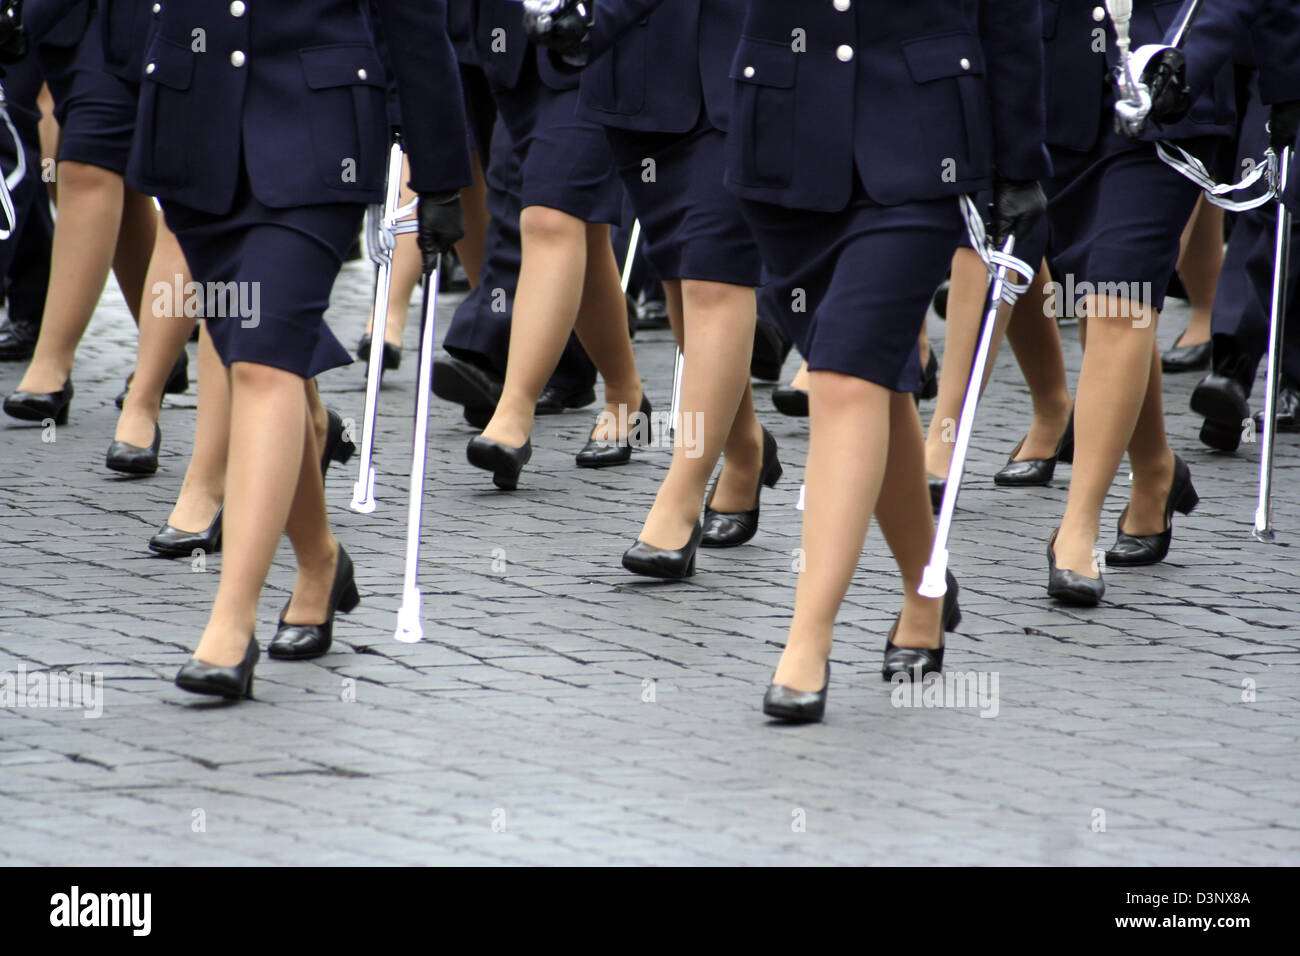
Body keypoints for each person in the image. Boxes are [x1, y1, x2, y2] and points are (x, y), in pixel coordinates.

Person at [125, 0, 471, 700]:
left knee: (261, 362)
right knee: (258, 361)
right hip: (194, 121)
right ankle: (319, 560)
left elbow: (412, 17)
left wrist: (439, 170)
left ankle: (231, 623)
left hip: (320, 128)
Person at [716, 0, 1048, 722]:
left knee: (841, 377)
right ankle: (927, 590)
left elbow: (1011, 15)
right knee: (871, 386)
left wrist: (1021, 159)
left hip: (922, 143)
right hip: (782, 134)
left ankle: (807, 642)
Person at [530, 0, 784, 578]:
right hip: (639, 64)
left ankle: (680, 495)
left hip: (753, 57)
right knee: (679, 276)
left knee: (715, 276)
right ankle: (743, 445)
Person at [464, 0, 646, 490]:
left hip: (599, 39)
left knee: (550, 216)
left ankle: (513, 411)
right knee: (578, 227)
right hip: (510, 43)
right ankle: (625, 394)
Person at [3, 0, 157, 437]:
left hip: (154, 15)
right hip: (63, 14)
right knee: (114, 173)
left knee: (88, 160)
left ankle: (51, 366)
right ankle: (160, 344)